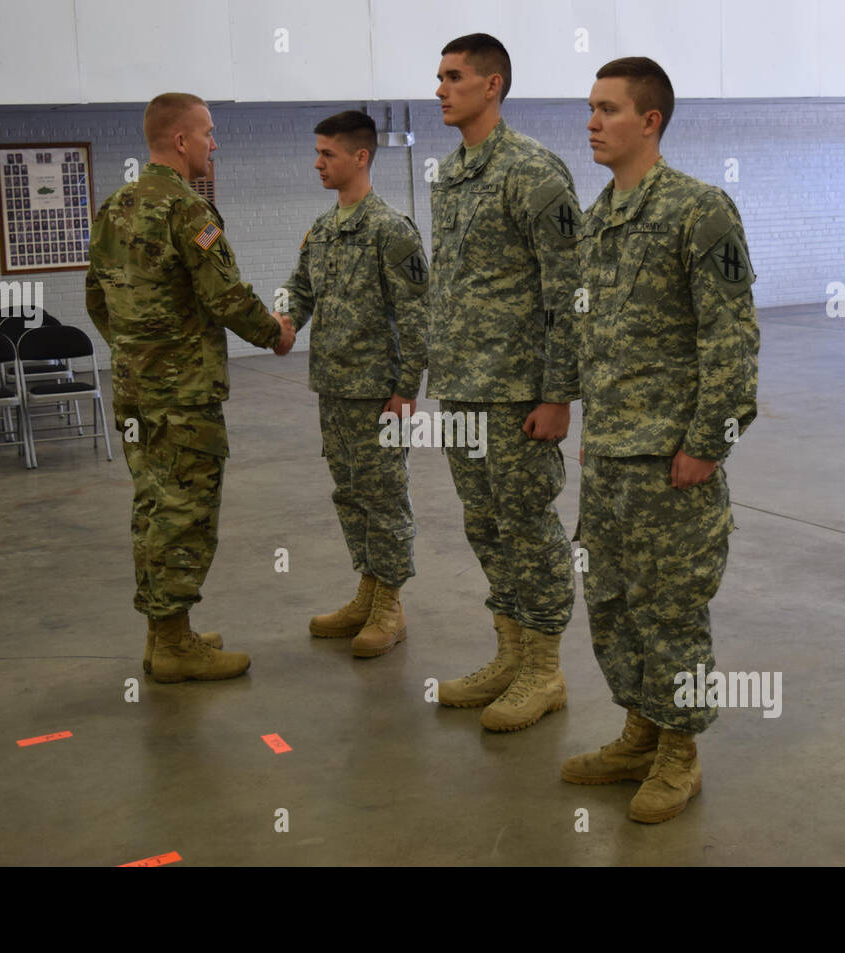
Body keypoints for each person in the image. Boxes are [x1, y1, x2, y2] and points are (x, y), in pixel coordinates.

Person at [563, 57, 758, 823]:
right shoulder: (597, 217)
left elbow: (732, 341)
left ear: (650, 121)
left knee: (671, 608)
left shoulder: (699, 211)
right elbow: (594, 338)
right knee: (611, 602)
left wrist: (708, 442)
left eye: (608, 109)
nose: (593, 121)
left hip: (672, 458)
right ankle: (640, 729)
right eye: (590, 108)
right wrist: (592, 428)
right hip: (611, 453)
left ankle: (680, 751)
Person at [85, 92, 295, 683]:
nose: (214, 143)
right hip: (183, 395)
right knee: (185, 511)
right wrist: (274, 334)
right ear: (181, 141)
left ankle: (162, 635)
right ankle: (176, 645)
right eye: (208, 132)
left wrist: (136, 350)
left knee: (152, 504)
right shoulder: (186, 210)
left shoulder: (114, 207)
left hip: (133, 389)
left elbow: (97, 298)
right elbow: (226, 295)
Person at [428, 33, 582, 732]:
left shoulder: (533, 171)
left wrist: (558, 395)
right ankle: (509, 655)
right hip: (463, 386)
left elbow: (569, 288)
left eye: (454, 76)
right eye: (439, 76)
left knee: (528, 527)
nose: (440, 88)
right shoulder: (452, 174)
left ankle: (545, 670)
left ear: (492, 86)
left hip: (519, 393)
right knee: (486, 526)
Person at [282, 110, 429, 658]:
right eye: (318, 153)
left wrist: (406, 388)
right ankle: (366, 589)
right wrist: (285, 323)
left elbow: (417, 316)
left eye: (328, 154)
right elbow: (300, 290)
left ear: (360, 157)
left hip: (378, 392)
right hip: (334, 389)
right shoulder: (322, 229)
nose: (318, 163)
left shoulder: (391, 230)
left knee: (385, 496)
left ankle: (391, 603)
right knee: (349, 493)